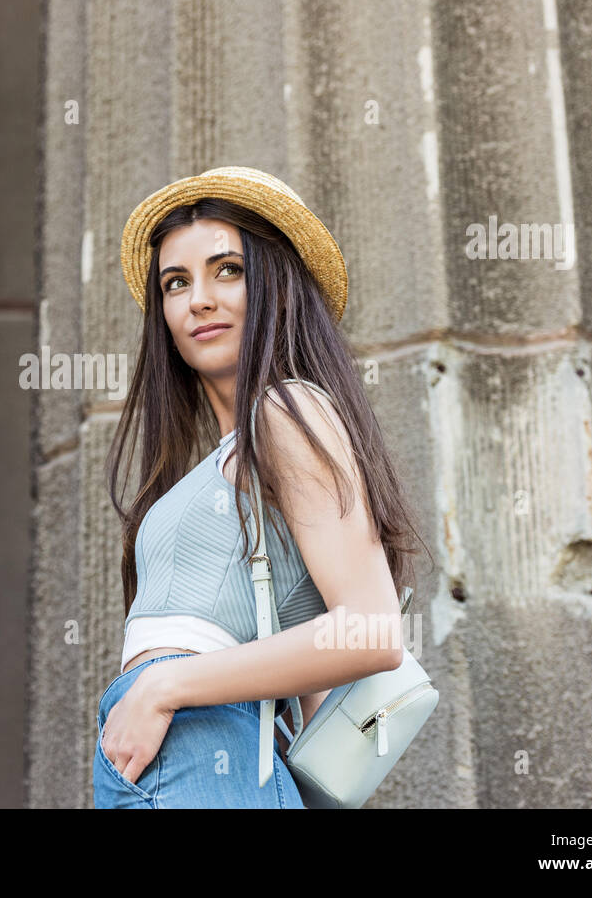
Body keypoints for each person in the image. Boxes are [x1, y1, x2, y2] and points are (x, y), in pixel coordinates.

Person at [95, 166, 430, 808]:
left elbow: (369, 632)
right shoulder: (223, 456)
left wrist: (163, 688)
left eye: (228, 270)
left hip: (198, 746)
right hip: (168, 754)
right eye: (175, 282)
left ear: (276, 287)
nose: (198, 299)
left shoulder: (285, 411)